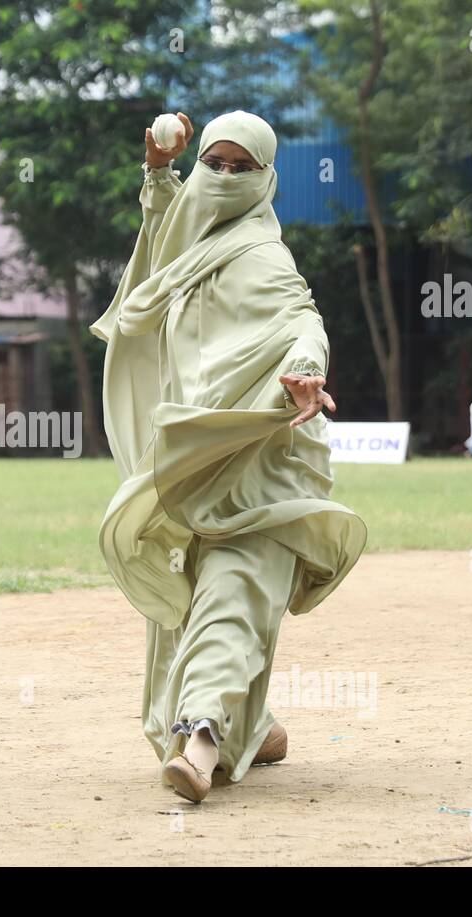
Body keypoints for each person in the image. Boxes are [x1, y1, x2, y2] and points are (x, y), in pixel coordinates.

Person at [91, 110, 367, 804]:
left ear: (266, 178)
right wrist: (159, 170)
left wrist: (306, 367)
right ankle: (258, 726)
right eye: (212, 163)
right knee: (190, 601)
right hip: (197, 463)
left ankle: (202, 740)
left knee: (235, 591)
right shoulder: (188, 252)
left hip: (264, 460)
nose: (221, 177)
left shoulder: (263, 256)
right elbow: (161, 236)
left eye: (240, 167)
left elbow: (304, 317)